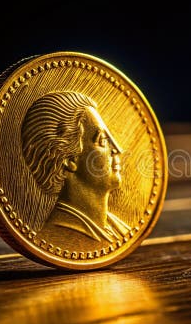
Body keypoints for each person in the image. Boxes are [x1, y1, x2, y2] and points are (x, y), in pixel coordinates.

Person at [21, 91, 130, 244]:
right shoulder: (58, 235)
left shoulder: (119, 229)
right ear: (69, 159)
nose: (117, 149)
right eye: (103, 140)